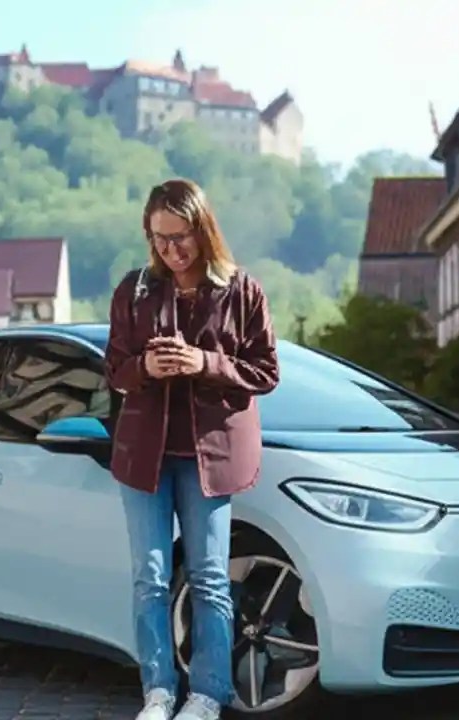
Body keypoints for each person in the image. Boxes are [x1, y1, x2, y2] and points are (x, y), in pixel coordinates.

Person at [104, 179, 280, 720]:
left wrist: (204, 362)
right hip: (145, 457)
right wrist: (145, 369)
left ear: (203, 230)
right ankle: (157, 693)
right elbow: (113, 370)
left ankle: (207, 695)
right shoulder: (133, 291)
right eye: (158, 239)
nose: (170, 250)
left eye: (180, 237)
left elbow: (266, 372)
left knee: (208, 578)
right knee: (150, 578)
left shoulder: (242, 291)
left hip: (211, 457)